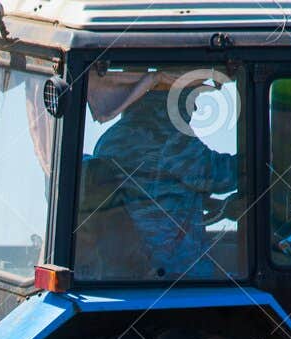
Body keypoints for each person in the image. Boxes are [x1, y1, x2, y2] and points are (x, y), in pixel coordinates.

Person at [89, 74, 240, 279]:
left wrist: (209, 204)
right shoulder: (169, 137)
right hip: (174, 271)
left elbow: (152, 191)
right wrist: (270, 156)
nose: (195, 109)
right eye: (191, 97)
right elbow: (224, 174)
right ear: (174, 98)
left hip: (130, 268)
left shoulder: (108, 140)